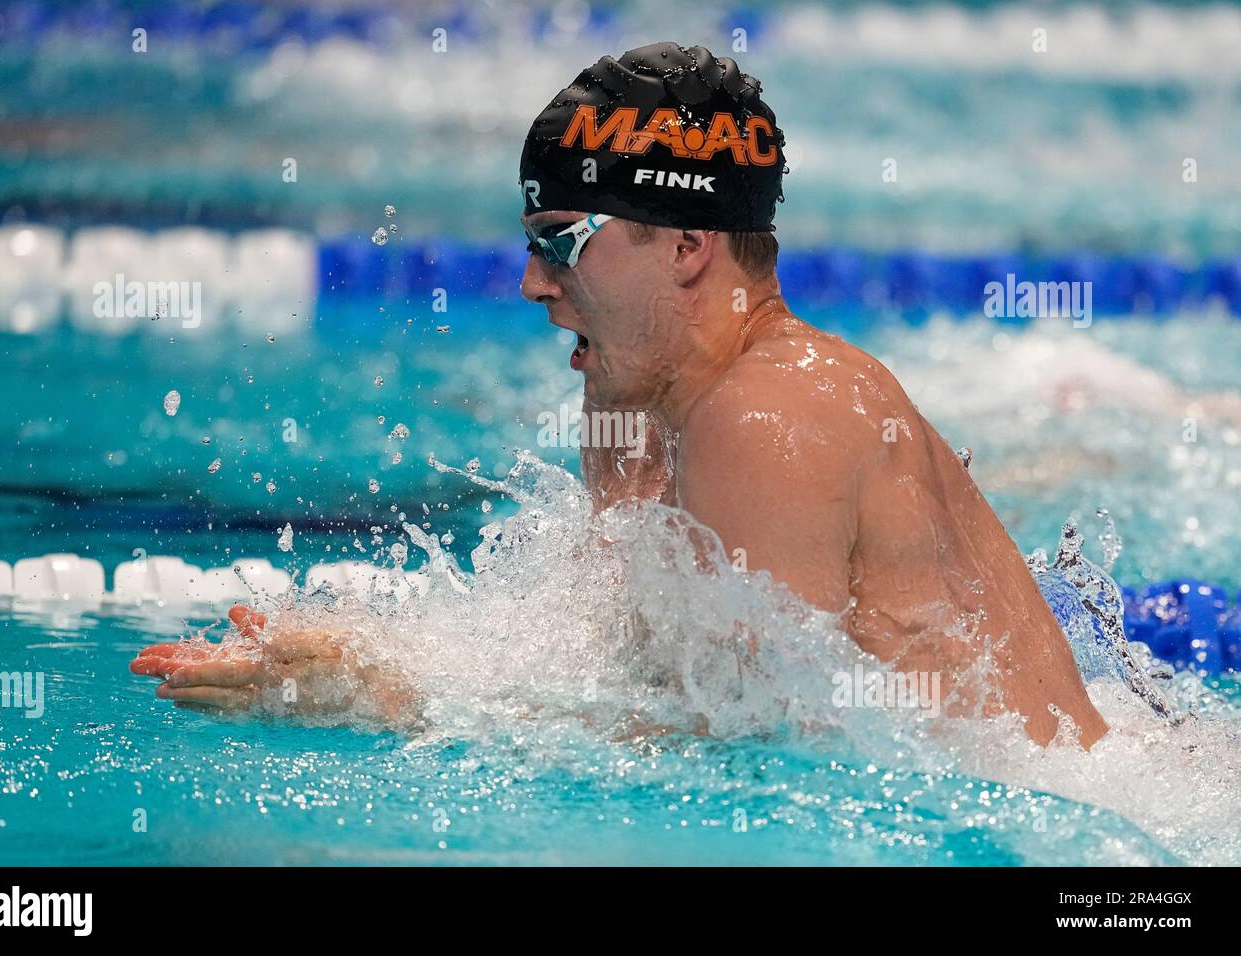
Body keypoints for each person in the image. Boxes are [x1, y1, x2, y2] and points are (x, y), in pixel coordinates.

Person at [133, 42, 1108, 749]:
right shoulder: (635, 403)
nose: (529, 283)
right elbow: (628, 664)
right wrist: (384, 649)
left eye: (561, 240)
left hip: (1056, 821)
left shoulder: (768, 417)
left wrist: (385, 690)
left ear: (688, 245)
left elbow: (752, 757)